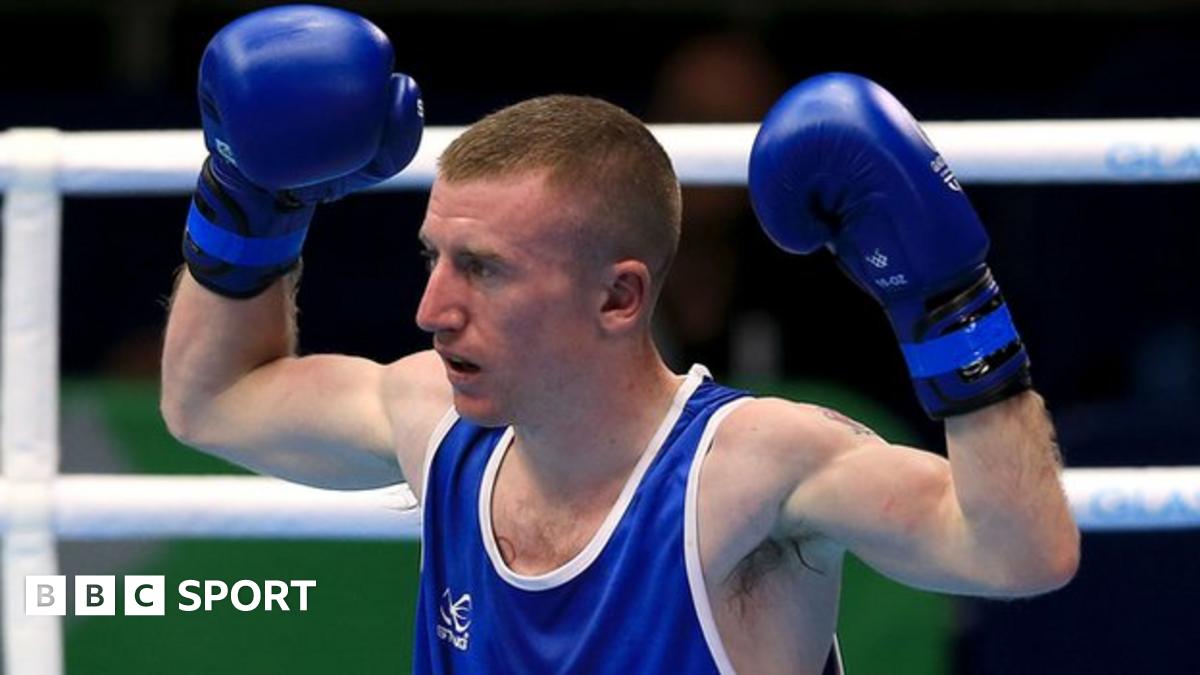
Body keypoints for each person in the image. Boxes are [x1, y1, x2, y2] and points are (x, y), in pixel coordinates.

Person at [160, 6, 1080, 674]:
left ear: (618, 296)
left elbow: (1019, 553)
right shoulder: (434, 419)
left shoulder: (753, 467)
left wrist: (953, 305)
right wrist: (247, 202)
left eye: (483, 268)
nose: (432, 307)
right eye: (434, 258)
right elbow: (214, 399)